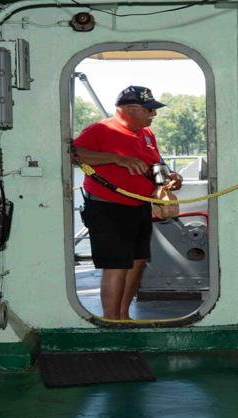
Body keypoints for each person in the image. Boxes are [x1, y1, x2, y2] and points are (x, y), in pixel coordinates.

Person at [70, 85, 183, 321]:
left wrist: (170, 177)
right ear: (129, 109)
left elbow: (155, 164)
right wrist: (117, 159)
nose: (154, 114)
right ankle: (112, 320)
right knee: (116, 265)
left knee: (137, 262)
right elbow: (74, 155)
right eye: (149, 109)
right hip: (108, 207)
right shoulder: (100, 130)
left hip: (139, 207)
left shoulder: (147, 134)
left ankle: (123, 316)